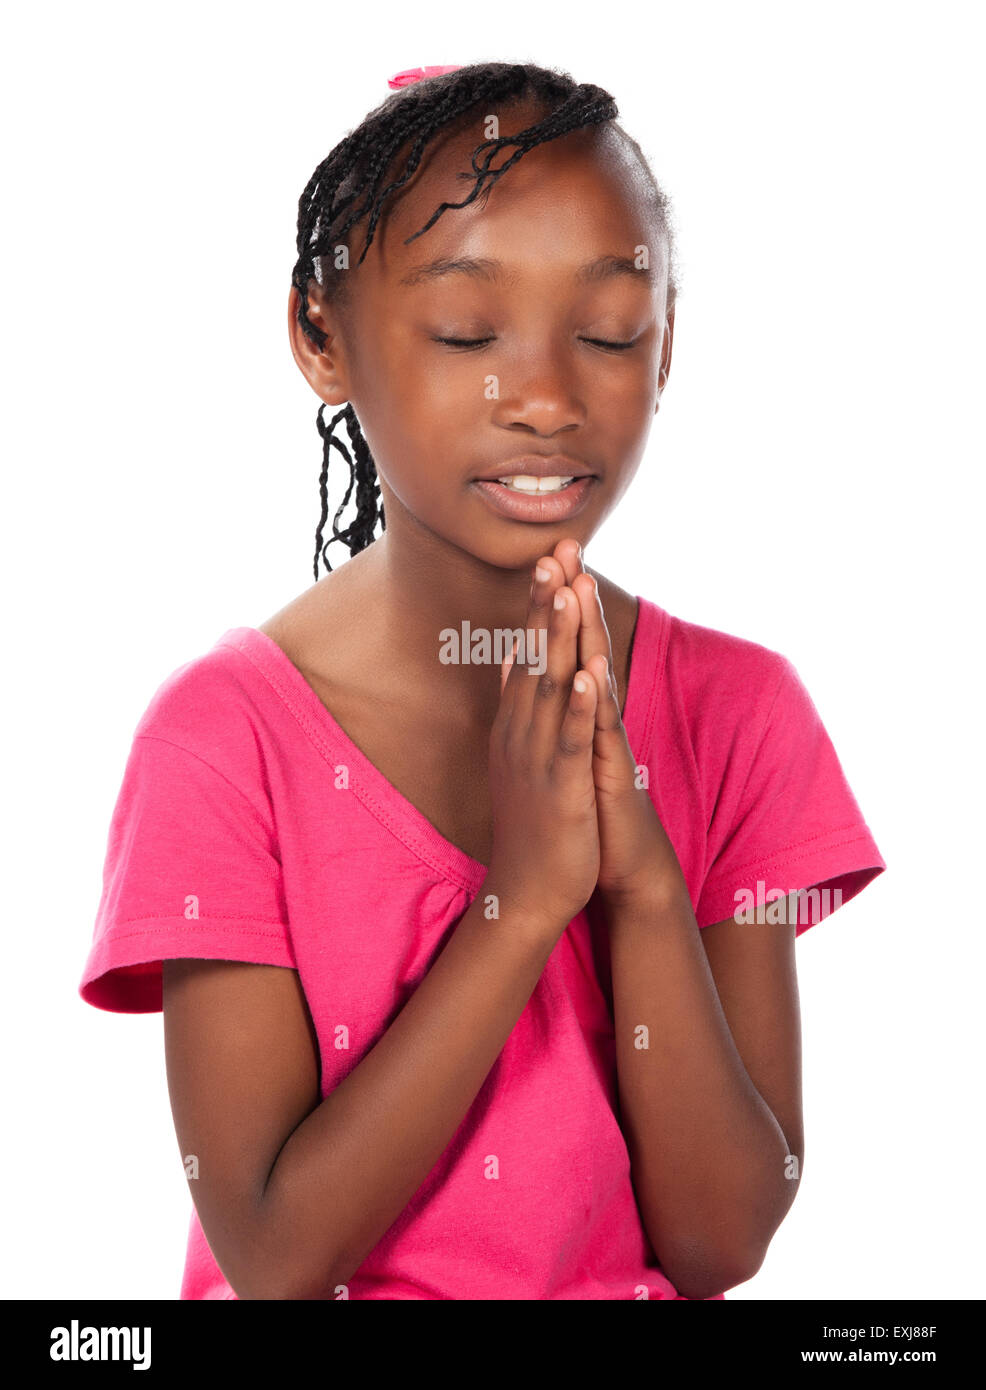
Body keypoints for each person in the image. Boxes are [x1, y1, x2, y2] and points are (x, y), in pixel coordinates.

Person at [78, 60, 886, 1301]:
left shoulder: (740, 712)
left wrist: (641, 885)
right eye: (466, 332)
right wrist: (521, 900)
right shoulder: (222, 738)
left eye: (609, 332)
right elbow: (276, 1255)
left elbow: (722, 1240)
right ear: (320, 335)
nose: (548, 399)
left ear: (664, 344)